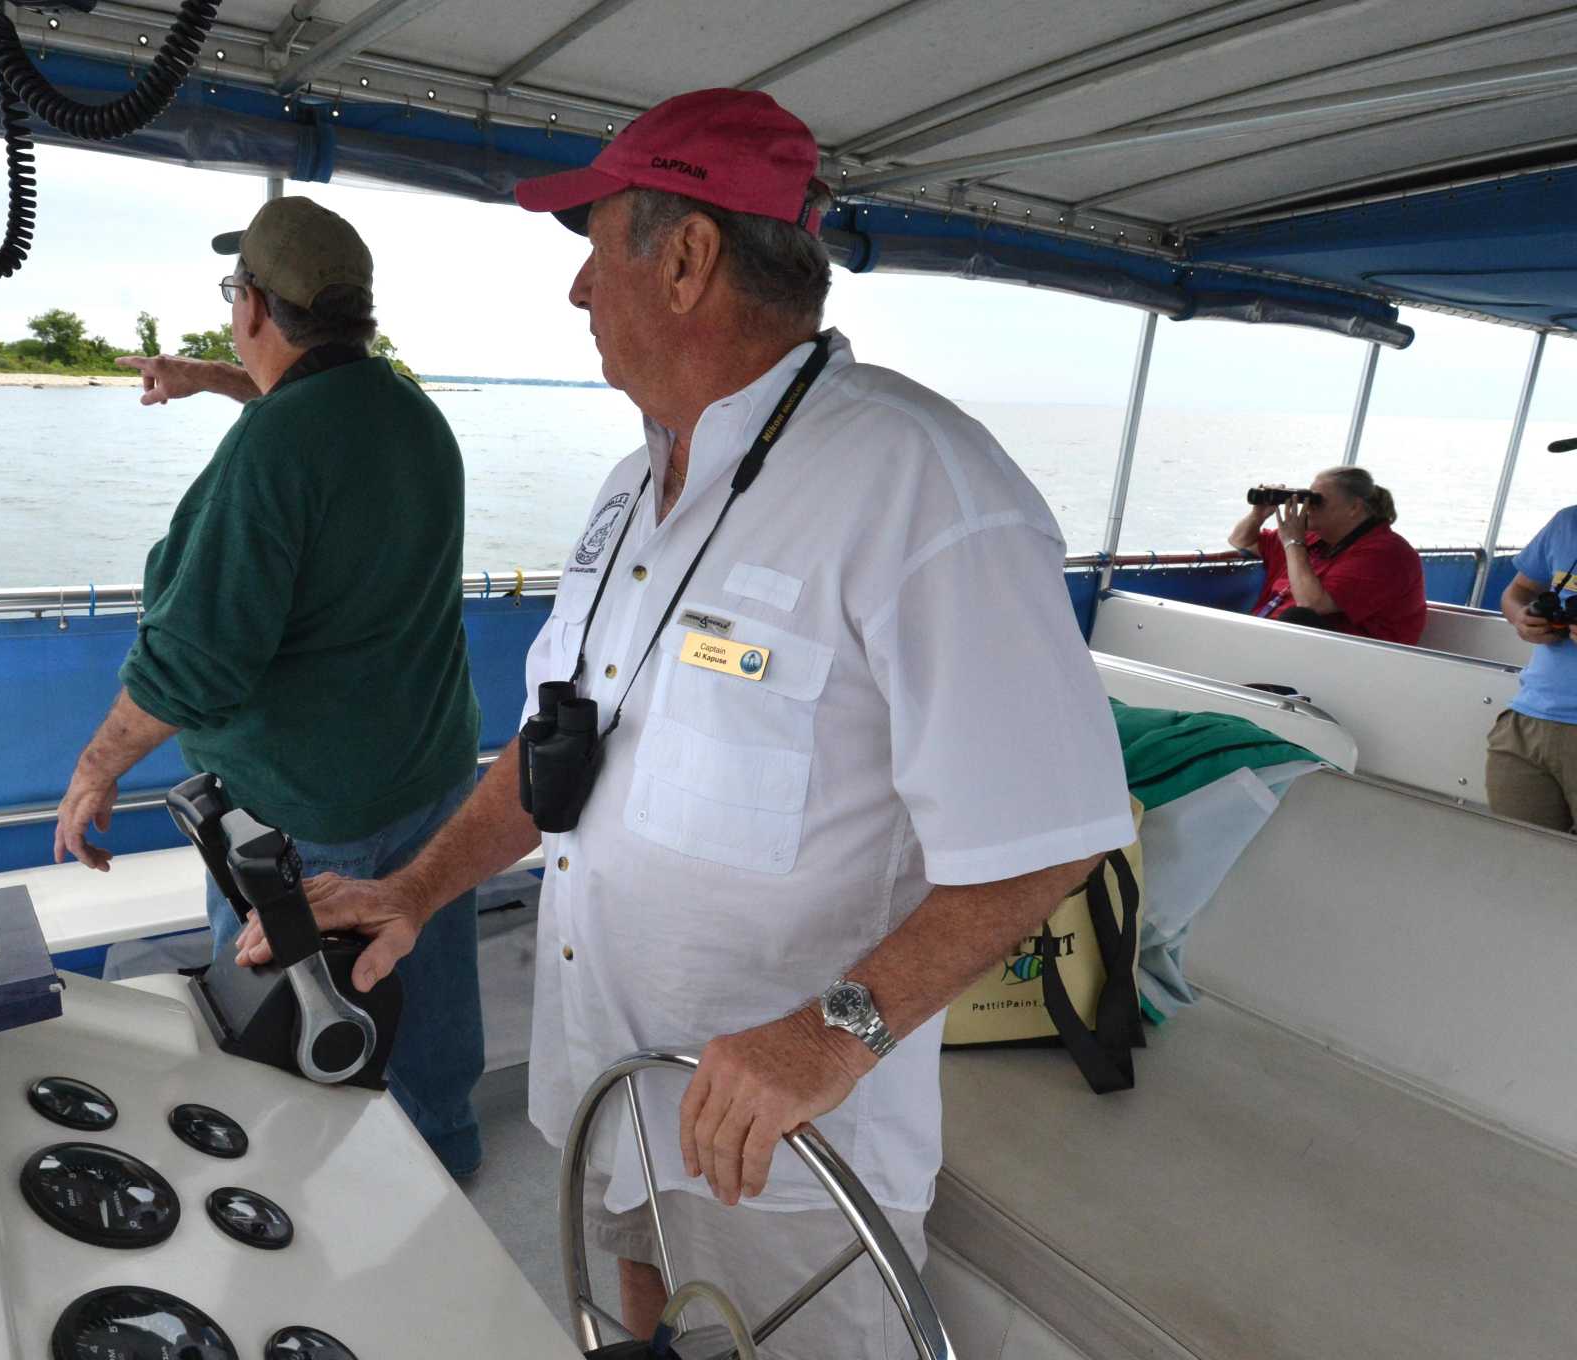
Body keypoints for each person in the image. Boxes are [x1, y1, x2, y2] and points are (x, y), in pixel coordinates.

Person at [233, 89, 1134, 1357]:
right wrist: (414, 889)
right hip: (610, 1076)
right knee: (631, 1317)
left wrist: (830, 1038)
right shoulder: (625, 490)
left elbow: (1053, 830)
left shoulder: (923, 486)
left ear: (686, 259)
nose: (575, 294)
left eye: (593, 250)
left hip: (787, 1138)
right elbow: (559, 745)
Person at [51, 195, 487, 1176]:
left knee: (288, 1051)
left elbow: (193, 664)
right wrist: (211, 380)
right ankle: (446, 1175)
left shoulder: (271, 451)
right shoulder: (407, 413)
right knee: (427, 1030)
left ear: (250, 306)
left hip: (309, 820)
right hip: (427, 784)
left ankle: (302, 1220)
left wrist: (93, 769)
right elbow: (318, 422)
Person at [1227, 466, 1426, 644]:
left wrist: (1293, 543)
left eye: (1316, 501)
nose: (1307, 507)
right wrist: (1258, 514)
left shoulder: (1387, 554)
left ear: (1354, 508)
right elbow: (1242, 540)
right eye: (1307, 498)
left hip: (1362, 663)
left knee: (1298, 618)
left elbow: (1311, 604)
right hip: (1278, 640)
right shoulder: (1313, 538)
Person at [1486, 503, 1577, 832]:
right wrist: (1521, 618)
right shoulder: (1568, 522)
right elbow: (1519, 591)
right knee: (1519, 862)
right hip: (1528, 723)